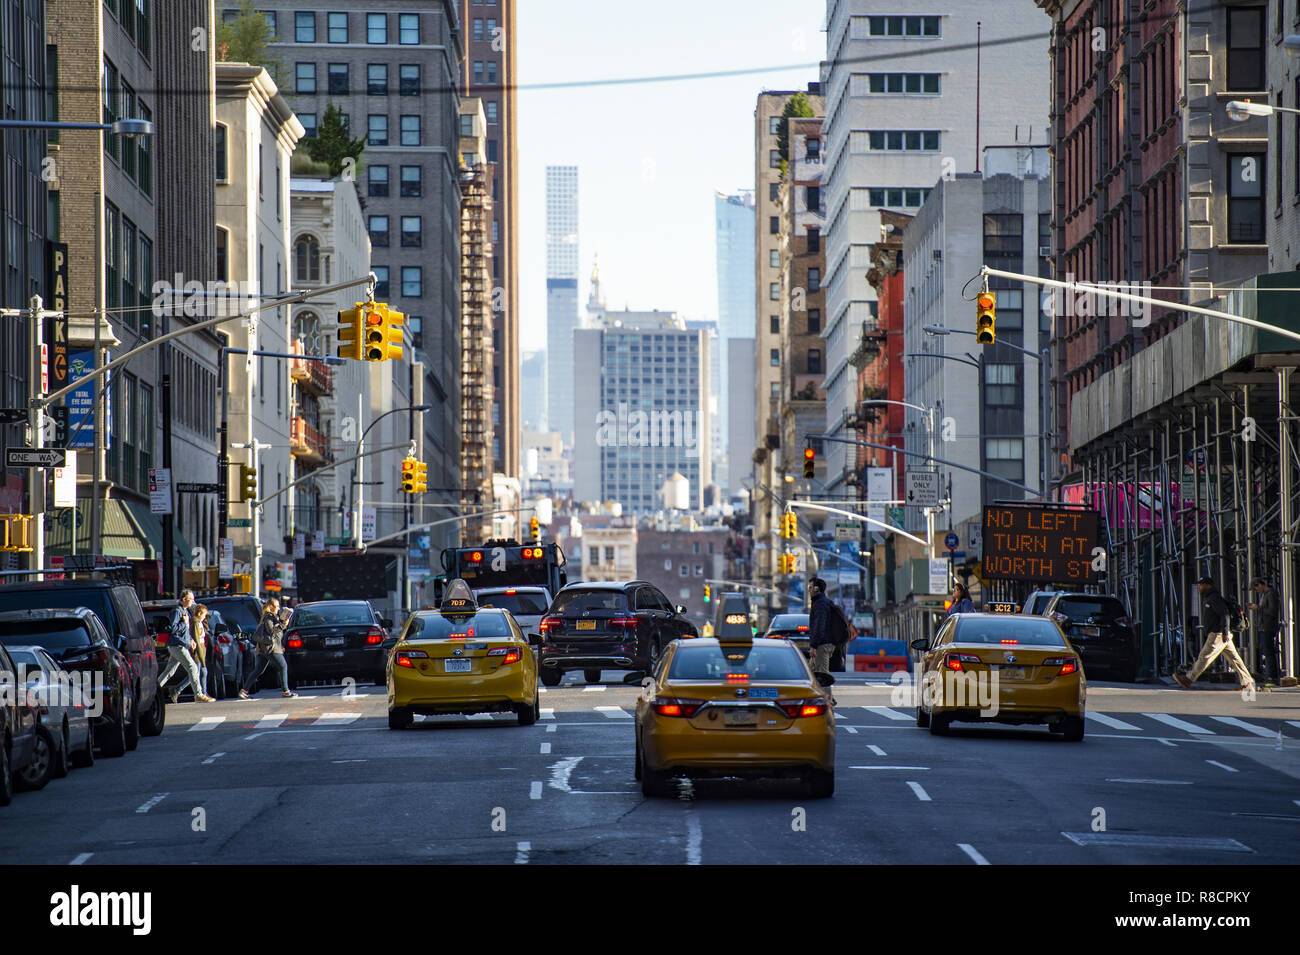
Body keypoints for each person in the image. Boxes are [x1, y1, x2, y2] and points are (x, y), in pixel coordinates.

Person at [1175, 576, 1254, 692]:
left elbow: (1225, 614)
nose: (1199, 587)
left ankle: (1188, 679)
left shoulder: (1214, 598)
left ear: (1208, 585)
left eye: (1201, 585)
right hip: (1221, 633)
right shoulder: (1210, 597)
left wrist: (1225, 631)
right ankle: (1247, 683)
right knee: (1235, 659)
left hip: (1218, 634)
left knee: (1204, 657)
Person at [159, 590, 214, 704]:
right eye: (191, 599)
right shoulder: (177, 611)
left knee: (169, 671)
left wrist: (191, 640)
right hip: (177, 645)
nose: (193, 602)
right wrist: (184, 623)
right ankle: (198, 695)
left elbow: (185, 631)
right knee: (193, 667)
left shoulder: (185, 612)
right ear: (184, 600)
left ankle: (154, 691)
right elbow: (172, 628)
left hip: (180, 644)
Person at [238, 596, 298, 699]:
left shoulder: (270, 616)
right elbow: (272, 631)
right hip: (270, 647)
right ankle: (285, 691)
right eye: (277, 606)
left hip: (264, 648)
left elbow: (275, 633)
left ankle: (244, 691)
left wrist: (281, 642)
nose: (279, 608)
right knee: (283, 666)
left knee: (258, 670)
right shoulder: (269, 617)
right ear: (271, 607)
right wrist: (283, 624)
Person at [1247, 578, 1281, 686]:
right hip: (1263, 627)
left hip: (1268, 627)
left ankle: (1272, 677)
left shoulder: (1270, 594)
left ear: (1260, 585)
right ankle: (1270, 675)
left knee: (1269, 651)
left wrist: (1257, 608)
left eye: (1255, 588)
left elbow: (1272, 611)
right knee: (1266, 651)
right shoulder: (1264, 594)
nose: (1255, 591)